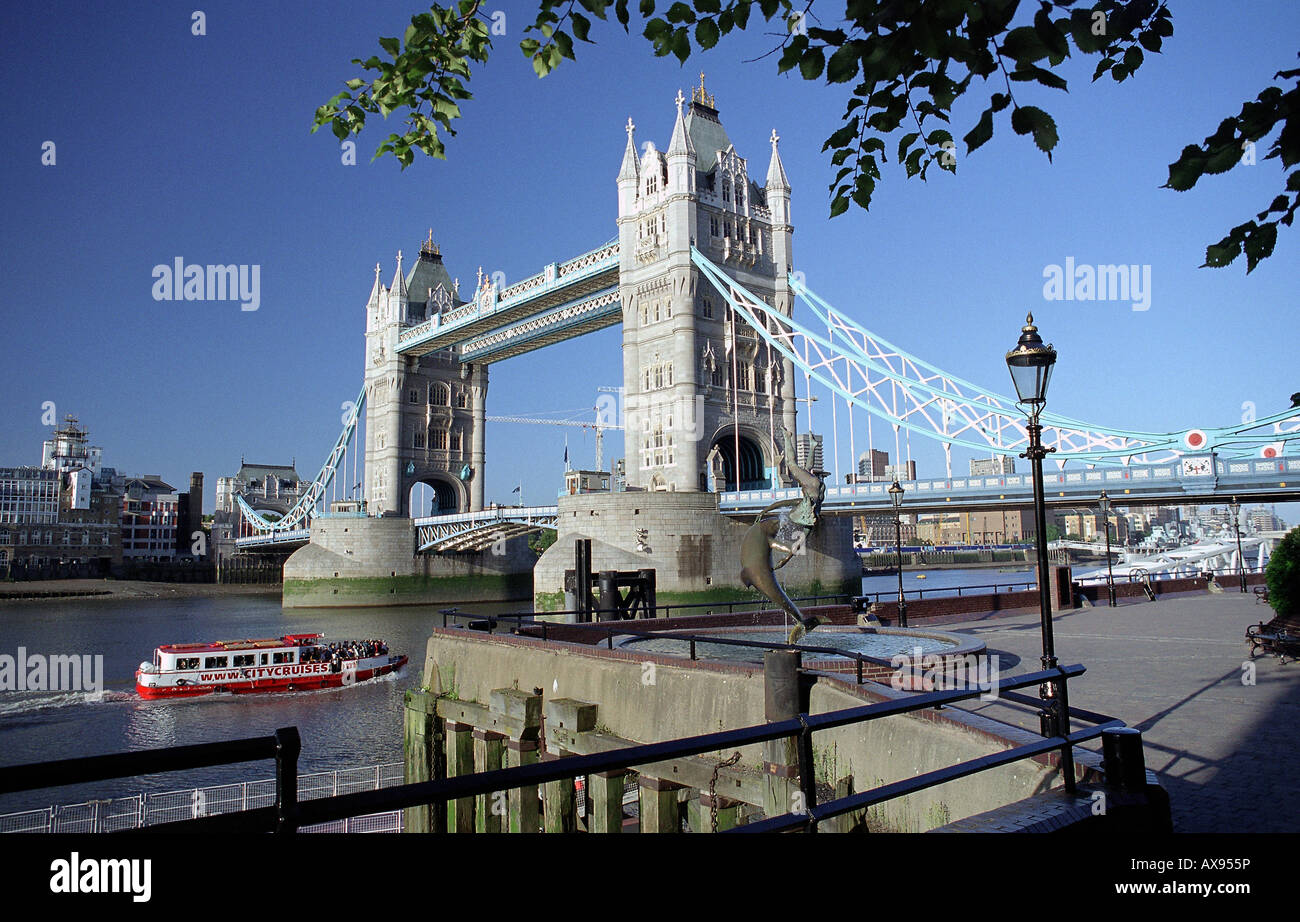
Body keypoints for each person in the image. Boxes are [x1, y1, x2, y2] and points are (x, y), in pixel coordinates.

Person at [739, 428, 831, 644]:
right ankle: (812, 446)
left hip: (801, 514)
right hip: (806, 513)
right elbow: (798, 538)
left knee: (790, 466)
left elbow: (784, 523)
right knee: (801, 469)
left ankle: (789, 439)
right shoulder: (815, 494)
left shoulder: (804, 501)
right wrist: (788, 556)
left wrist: (787, 551)